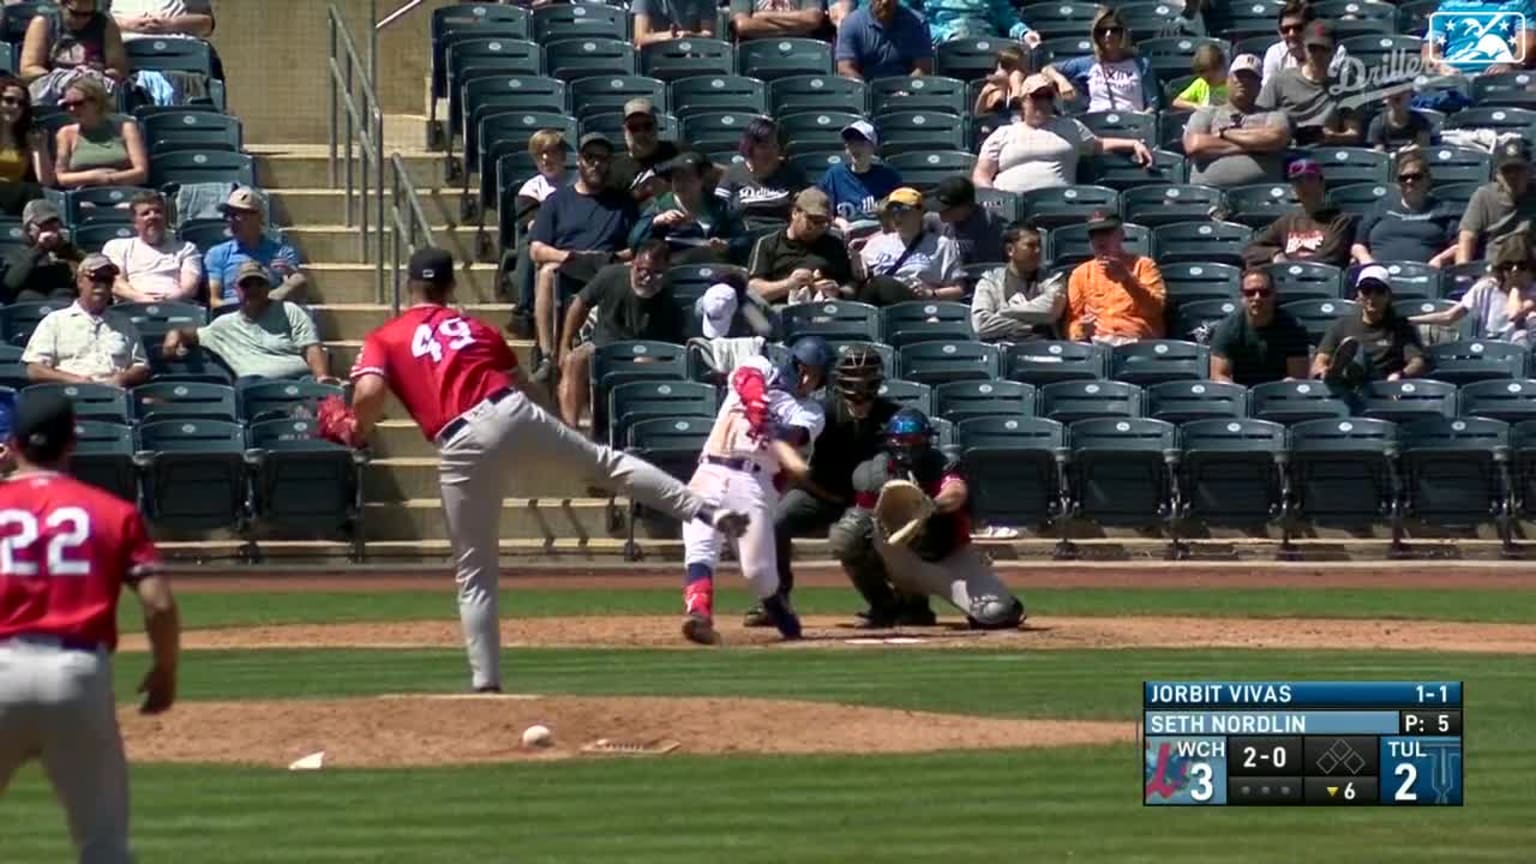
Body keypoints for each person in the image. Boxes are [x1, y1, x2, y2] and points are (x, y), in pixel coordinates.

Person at [341, 247, 750, 692]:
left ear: (409, 284)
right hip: (512, 410)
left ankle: (487, 683)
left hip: (460, 439)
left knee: (475, 572)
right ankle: (704, 509)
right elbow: (525, 385)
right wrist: (557, 431)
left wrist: (356, 428)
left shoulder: (386, 336)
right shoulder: (475, 328)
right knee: (606, 464)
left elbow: (369, 392)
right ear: (450, 286)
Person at [0, 391, 181, 864]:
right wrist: (165, 670)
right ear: (72, 442)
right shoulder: (110, 511)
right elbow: (158, 603)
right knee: (104, 845)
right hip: (76, 675)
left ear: (12, 443)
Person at [748, 345, 929, 629]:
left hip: (870, 504)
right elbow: (794, 454)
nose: (859, 387)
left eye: (866, 378)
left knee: (873, 532)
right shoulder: (821, 412)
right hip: (819, 493)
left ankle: (903, 604)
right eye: (853, 379)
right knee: (776, 521)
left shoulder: (894, 417)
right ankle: (775, 601)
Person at [680, 338, 831, 645]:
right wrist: (757, 404)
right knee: (700, 548)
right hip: (708, 471)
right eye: (804, 370)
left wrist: (772, 428)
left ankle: (780, 613)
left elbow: (797, 435)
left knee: (758, 573)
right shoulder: (760, 366)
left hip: (751, 483)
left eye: (815, 375)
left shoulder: (811, 410)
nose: (806, 380)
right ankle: (699, 614)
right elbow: (746, 379)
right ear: (792, 364)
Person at [831, 408, 1026, 630]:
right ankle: (887, 605)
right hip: (899, 555)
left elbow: (956, 491)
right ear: (889, 441)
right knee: (849, 532)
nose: (907, 445)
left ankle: (921, 605)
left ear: (927, 440)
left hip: (947, 555)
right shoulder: (874, 473)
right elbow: (864, 516)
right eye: (901, 439)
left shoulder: (941, 464)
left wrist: (931, 506)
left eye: (915, 439)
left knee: (995, 613)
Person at [529, 132, 639, 380]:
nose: (596, 164)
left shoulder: (624, 203)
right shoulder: (557, 201)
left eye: (602, 158)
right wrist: (567, 255)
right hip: (569, 265)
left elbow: (636, 248)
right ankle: (547, 355)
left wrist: (612, 257)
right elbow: (536, 249)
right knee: (547, 272)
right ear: (579, 160)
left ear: (610, 163)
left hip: (608, 268)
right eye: (590, 157)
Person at [556, 241, 686, 426]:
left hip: (644, 352)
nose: (647, 278)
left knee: (643, 363)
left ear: (666, 270)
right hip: (603, 345)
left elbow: (672, 346)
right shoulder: (610, 276)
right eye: (641, 270)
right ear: (632, 264)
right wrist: (565, 344)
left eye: (656, 272)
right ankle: (570, 428)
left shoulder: (671, 297)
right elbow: (580, 304)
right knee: (574, 361)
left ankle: (625, 426)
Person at [973, 74, 1152, 196]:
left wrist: (1133, 143)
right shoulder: (1004, 133)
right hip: (1011, 205)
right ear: (1024, 100)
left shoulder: (1070, 127)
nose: (1042, 102)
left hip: (1059, 205)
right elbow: (981, 174)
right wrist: (996, 198)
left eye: (1047, 97)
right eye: (1036, 96)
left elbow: (1099, 144)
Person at [161, 262, 333, 383]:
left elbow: (311, 346)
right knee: (244, 385)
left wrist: (322, 377)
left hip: (299, 380)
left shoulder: (290, 311)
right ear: (237, 290)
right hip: (255, 388)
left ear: (268, 287)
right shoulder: (224, 325)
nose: (253, 289)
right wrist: (175, 333)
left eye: (259, 284)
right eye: (246, 285)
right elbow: (194, 334)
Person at [22, 253, 150, 387]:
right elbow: (34, 370)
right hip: (69, 393)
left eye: (107, 280)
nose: (102, 285)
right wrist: (75, 380)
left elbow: (141, 367)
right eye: (95, 278)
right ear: (80, 281)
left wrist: (121, 379)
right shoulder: (55, 321)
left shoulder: (124, 323)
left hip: (115, 393)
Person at [1181, 53, 1291, 188]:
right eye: (1239, 76)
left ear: (1259, 85)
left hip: (1265, 193)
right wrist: (1256, 144)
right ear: (1227, 81)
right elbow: (1195, 146)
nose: (1244, 81)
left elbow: (1275, 139)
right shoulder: (1206, 114)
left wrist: (1224, 133)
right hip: (1208, 193)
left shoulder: (1274, 115)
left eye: (1251, 77)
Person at [1312, 265, 1428, 383]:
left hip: (1382, 384)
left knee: (1359, 355)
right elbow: (1320, 359)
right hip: (1347, 388)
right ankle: (1343, 373)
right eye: (1366, 290)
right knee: (1356, 357)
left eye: (1379, 291)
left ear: (1388, 295)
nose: (1372, 296)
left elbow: (1417, 362)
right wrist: (1323, 371)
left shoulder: (1401, 326)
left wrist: (1400, 374)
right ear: (1358, 294)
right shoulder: (1341, 324)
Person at [1065, 211, 1166, 345]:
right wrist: (1081, 330)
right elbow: (1072, 320)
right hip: (1097, 341)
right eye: (1094, 234)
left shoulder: (1144, 265)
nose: (1100, 239)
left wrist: (1127, 279)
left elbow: (1155, 309)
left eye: (1106, 232)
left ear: (1121, 235)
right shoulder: (1080, 274)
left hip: (1135, 341)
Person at [629, 150, 746, 265]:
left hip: (717, 268)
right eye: (676, 178)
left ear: (701, 179)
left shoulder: (721, 207)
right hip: (676, 269)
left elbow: (743, 240)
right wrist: (655, 222)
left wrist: (727, 246)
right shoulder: (659, 208)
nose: (681, 183)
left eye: (687, 178)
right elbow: (635, 243)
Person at [1411, 234, 1535, 341]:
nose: (1514, 271)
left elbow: (1514, 314)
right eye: (1508, 266)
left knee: (1521, 335)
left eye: (1522, 266)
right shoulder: (1486, 287)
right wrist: (1409, 321)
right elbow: (1449, 316)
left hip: (1521, 346)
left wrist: (1515, 288)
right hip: (1489, 344)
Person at [1255, 21, 1360, 146]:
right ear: (1304, 48)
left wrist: (1333, 137)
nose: (1318, 55)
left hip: (1325, 150)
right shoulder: (1279, 80)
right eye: (1312, 49)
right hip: (1286, 149)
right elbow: (1258, 122)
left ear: (1334, 51)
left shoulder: (1344, 85)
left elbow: (1354, 133)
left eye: (1324, 49)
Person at [1351, 150, 1459, 267]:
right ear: (1397, 183)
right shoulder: (1380, 207)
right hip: (1378, 272)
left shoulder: (1444, 209)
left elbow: (1459, 245)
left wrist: (1441, 259)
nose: (1409, 181)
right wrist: (1367, 262)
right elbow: (1358, 245)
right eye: (1403, 178)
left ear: (1428, 179)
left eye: (1416, 177)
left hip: (1425, 272)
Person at [858, 187, 966, 305]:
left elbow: (960, 290)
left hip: (917, 305)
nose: (897, 216)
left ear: (920, 212)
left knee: (882, 282)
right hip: (878, 302)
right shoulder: (876, 243)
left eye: (903, 210)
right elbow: (858, 272)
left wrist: (931, 294)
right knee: (878, 283)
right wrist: (855, 257)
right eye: (892, 211)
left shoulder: (942, 245)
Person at [747, 187, 856, 303]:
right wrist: (790, 284)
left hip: (825, 306)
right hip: (780, 308)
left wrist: (838, 291)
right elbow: (753, 290)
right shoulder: (768, 244)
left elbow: (851, 285)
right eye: (814, 221)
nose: (818, 228)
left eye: (825, 222)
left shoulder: (834, 245)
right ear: (795, 213)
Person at [1043, 8, 1162, 114]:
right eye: (1102, 31)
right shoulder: (1089, 63)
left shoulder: (1141, 64)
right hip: (1096, 123)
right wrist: (1062, 81)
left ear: (1123, 33)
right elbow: (1047, 69)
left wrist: (1142, 119)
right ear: (1096, 35)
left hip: (1131, 124)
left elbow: (1153, 104)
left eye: (1114, 30)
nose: (1108, 35)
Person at [203, 186, 307, 308]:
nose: (231, 221)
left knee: (298, 279)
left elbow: (297, 288)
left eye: (238, 215)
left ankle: (261, 302)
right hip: (233, 312)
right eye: (228, 215)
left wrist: (289, 272)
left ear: (258, 218)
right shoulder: (218, 253)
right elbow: (214, 301)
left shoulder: (282, 252)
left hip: (270, 312)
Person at [1243, 158, 1356, 268]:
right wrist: (1275, 254)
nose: (1304, 185)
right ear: (1293, 188)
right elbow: (1251, 251)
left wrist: (1291, 265)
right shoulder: (1287, 222)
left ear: (1322, 183)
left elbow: (1331, 256)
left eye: (1310, 179)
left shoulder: (1340, 221)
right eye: (1298, 181)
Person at [1208, 268, 1311, 386]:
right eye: (1250, 293)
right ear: (1242, 297)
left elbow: (1297, 377)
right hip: (1241, 391)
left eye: (1264, 292)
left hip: (1279, 392)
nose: (1257, 298)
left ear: (1274, 295)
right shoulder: (1228, 328)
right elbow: (1218, 375)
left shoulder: (1293, 328)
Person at [19, 0, 129, 106]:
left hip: (94, 89)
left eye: (87, 15)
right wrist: (66, 78)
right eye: (75, 14)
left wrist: (96, 75)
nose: (81, 20)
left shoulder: (106, 25)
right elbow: (29, 69)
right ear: (63, 5)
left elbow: (117, 70)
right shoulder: (43, 23)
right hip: (53, 91)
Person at [971, 221, 1066, 341]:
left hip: (1043, 346)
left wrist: (1004, 313)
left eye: (1039, 245)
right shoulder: (990, 282)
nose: (1037, 250)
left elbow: (1051, 308)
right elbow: (981, 324)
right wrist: (1030, 324)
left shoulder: (1053, 279)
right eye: (1031, 245)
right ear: (1010, 250)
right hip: (1003, 346)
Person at [101, 190, 202, 302]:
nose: (152, 216)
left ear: (166, 217)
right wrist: (144, 299)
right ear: (135, 221)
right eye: (145, 213)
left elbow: (189, 288)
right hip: (131, 306)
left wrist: (167, 300)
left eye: (158, 211)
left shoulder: (186, 249)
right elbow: (116, 284)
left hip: (175, 305)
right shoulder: (117, 247)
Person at [51, 76, 148, 189]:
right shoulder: (65, 133)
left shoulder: (125, 127)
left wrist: (110, 179)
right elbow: (61, 177)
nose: (71, 109)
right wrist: (94, 177)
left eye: (78, 103)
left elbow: (141, 173)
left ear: (97, 102)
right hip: (84, 193)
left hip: (123, 190)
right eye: (66, 105)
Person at [1457, 138, 1536, 265]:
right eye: (1507, 170)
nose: (1513, 176)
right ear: (1498, 175)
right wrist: (1463, 270)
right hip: (1495, 265)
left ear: (1530, 171)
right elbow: (1468, 236)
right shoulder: (1484, 195)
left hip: (1530, 265)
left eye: (1518, 169)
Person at [817, 119, 903, 231]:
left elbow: (901, 212)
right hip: (844, 234)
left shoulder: (888, 176)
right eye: (851, 143)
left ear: (873, 147)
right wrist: (838, 221)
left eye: (861, 143)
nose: (855, 148)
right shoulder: (834, 175)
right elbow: (821, 211)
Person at [718, 117, 808, 223]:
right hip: (743, 230)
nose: (770, 152)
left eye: (774, 146)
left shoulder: (792, 172)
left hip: (780, 230)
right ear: (749, 148)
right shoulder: (734, 172)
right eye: (763, 147)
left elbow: (804, 207)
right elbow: (718, 209)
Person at [607, 98, 692, 205]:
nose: (641, 133)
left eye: (647, 126)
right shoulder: (615, 170)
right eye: (634, 128)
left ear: (656, 126)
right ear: (624, 131)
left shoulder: (679, 152)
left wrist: (669, 189)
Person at [4, 198, 84, 303]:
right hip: (30, 306)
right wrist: (39, 248)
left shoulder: (67, 250)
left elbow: (88, 267)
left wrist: (65, 249)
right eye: (43, 225)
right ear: (29, 229)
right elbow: (10, 284)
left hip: (62, 305)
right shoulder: (17, 253)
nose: (49, 229)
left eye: (53, 224)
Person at [834, 0, 934, 82]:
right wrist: (868, 92)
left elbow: (923, 68)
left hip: (905, 93)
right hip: (865, 91)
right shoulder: (852, 24)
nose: (885, 2)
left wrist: (904, 90)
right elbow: (845, 68)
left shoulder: (917, 24)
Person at [0, 76, 55, 215]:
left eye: (21, 103)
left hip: (13, 200)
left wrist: (40, 148)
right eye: (9, 100)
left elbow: (46, 182)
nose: (15, 107)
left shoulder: (26, 138)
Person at [1260, 0, 1347, 84]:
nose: (1291, 34)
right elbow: (1268, 89)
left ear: (1312, 27)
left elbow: (1340, 87)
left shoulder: (1335, 51)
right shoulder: (1275, 53)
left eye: (1298, 28)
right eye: (1285, 30)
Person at [932, 175, 1006, 265]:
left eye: (947, 208)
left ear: (966, 206)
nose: (941, 212)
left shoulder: (988, 223)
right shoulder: (932, 221)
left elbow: (990, 265)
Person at [923, 0, 1037, 46]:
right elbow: (918, 22)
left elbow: (1005, 16)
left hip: (989, 44)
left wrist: (1024, 33)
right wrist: (945, 36)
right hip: (947, 44)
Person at [1366, 89, 1433, 153]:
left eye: (1403, 91)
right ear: (1384, 98)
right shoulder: (1378, 122)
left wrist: (1410, 150)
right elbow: (1379, 153)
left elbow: (1423, 147)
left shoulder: (1421, 120)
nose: (1397, 93)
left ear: (1411, 96)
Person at [972, 44, 1028, 119]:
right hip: (994, 121)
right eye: (1005, 67)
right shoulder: (993, 85)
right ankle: (998, 107)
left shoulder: (1026, 83)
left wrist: (1016, 86)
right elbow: (978, 115)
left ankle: (1014, 103)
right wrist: (985, 93)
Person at [731, 0, 828, 40]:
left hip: (802, 51)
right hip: (757, 53)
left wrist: (763, 16)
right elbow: (742, 25)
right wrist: (798, 27)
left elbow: (812, 19)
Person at [1172, 42, 1228, 111]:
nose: (1208, 82)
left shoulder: (1232, 85)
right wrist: (1197, 106)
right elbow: (1177, 102)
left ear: (1222, 68)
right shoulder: (1201, 83)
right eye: (1205, 79)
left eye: (1210, 79)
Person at [632, 0, 715, 46]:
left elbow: (708, 34)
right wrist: (669, 36)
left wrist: (691, 36)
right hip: (656, 57)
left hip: (691, 54)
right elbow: (640, 38)